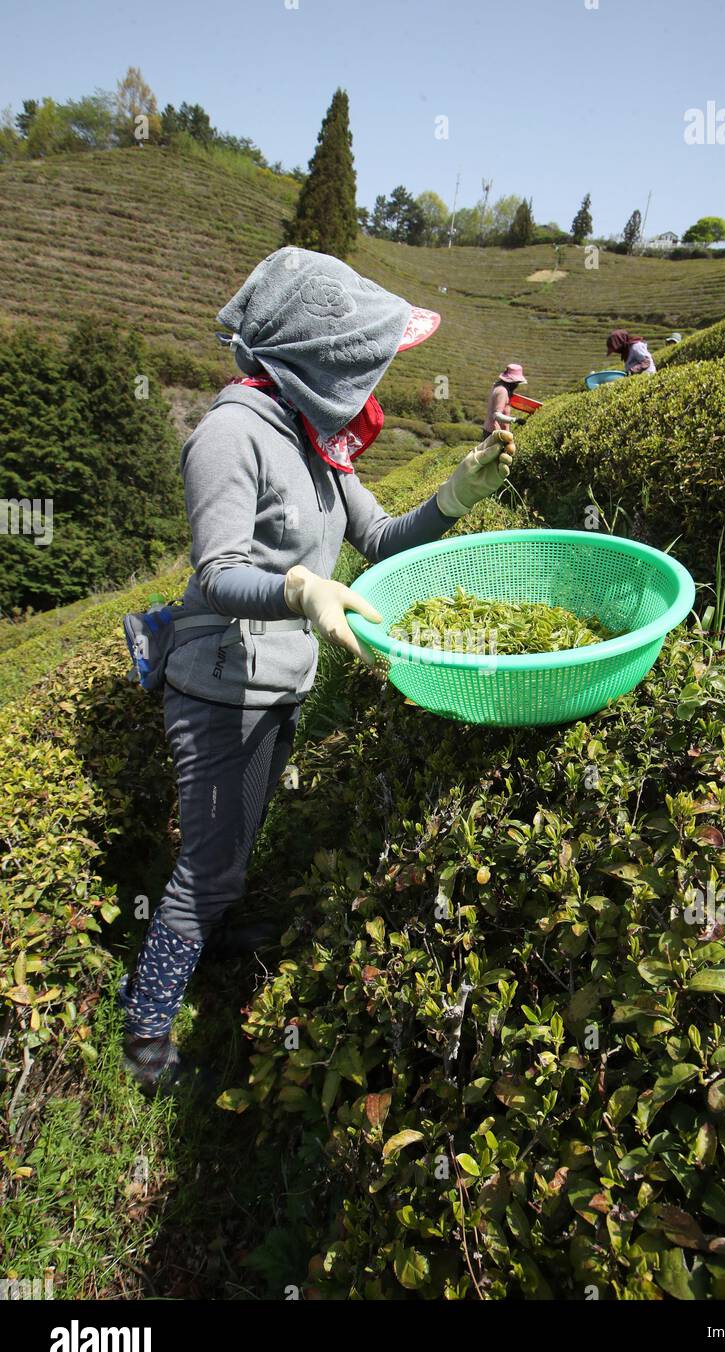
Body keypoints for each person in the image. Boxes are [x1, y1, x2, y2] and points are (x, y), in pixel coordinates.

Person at [118, 246, 515, 1093]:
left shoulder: (315, 438)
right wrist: (301, 587)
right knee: (208, 864)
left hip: (281, 683)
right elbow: (218, 573)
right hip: (220, 688)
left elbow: (379, 539)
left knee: (230, 844)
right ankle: (146, 1033)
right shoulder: (230, 434)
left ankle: (213, 924)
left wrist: (458, 491)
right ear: (316, 357)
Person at [484, 363, 527, 434]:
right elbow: (496, 415)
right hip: (495, 433)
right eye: (517, 383)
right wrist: (515, 420)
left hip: (492, 431)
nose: (517, 385)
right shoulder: (502, 391)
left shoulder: (497, 386)